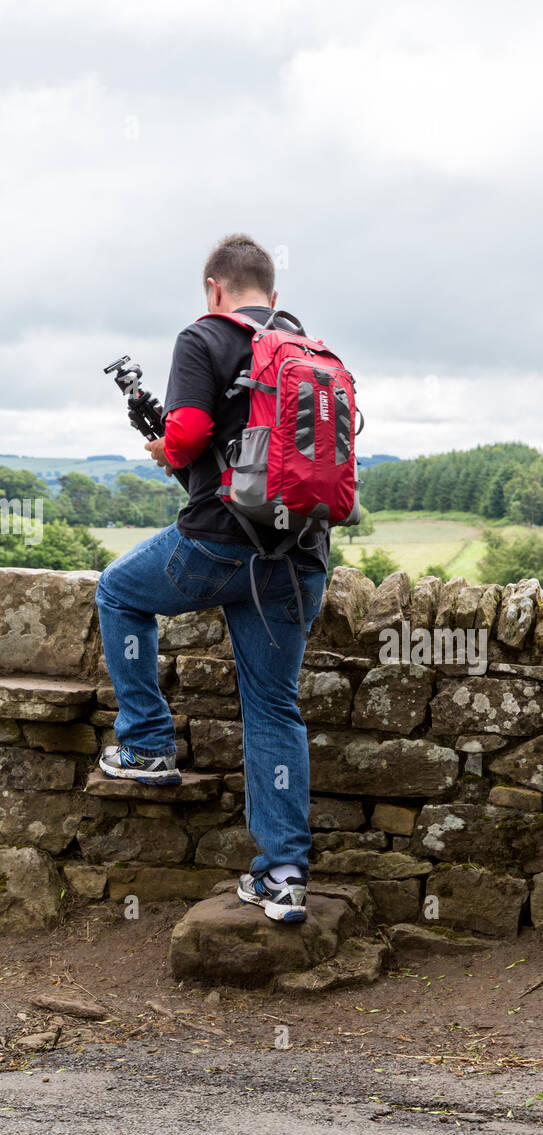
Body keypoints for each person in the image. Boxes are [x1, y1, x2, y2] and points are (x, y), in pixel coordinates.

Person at [95, 234, 329, 924]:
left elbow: (192, 433)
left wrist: (164, 446)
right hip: (298, 556)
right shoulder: (303, 346)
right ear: (273, 296)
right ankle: (283, 876)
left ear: (212, 287)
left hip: (217, 548)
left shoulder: (203, 337)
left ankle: (145, 744)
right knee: (273, 706)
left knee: (117, 591)